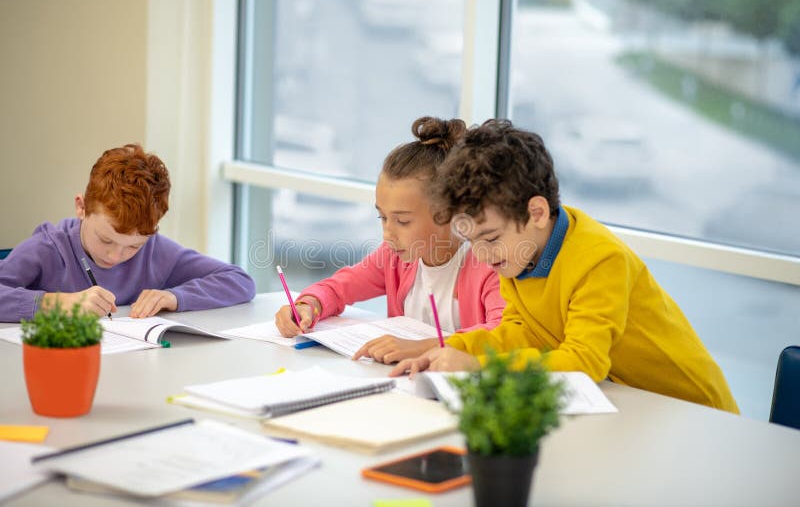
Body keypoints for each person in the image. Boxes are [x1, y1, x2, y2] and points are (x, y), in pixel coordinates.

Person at [390, 119, 739, 413]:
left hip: (691, 410)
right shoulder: (519, 254)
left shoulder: (600, 260)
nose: (481, 256)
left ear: (537, 213)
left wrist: (479, 368)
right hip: (624, 403)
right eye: (472, 241)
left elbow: (585, 362)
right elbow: (519, 332)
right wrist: (451, 352)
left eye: (490, 238)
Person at [274, 117, 505, 364]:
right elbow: (339, 287)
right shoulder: (393, 257)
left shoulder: (488, 265)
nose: (387, 234)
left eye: (403, 221)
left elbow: (501, 334)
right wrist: (309, 306)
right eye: (382, 217)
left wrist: (422, 347)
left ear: (448, 215)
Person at [0, 144, 256, 322]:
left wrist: (174, 297)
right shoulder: (47, 248)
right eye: (105, 239)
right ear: (81, 207)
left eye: (133, 246)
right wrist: (59, 304)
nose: (115, 255)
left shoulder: (155, 251)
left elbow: (239, 281)